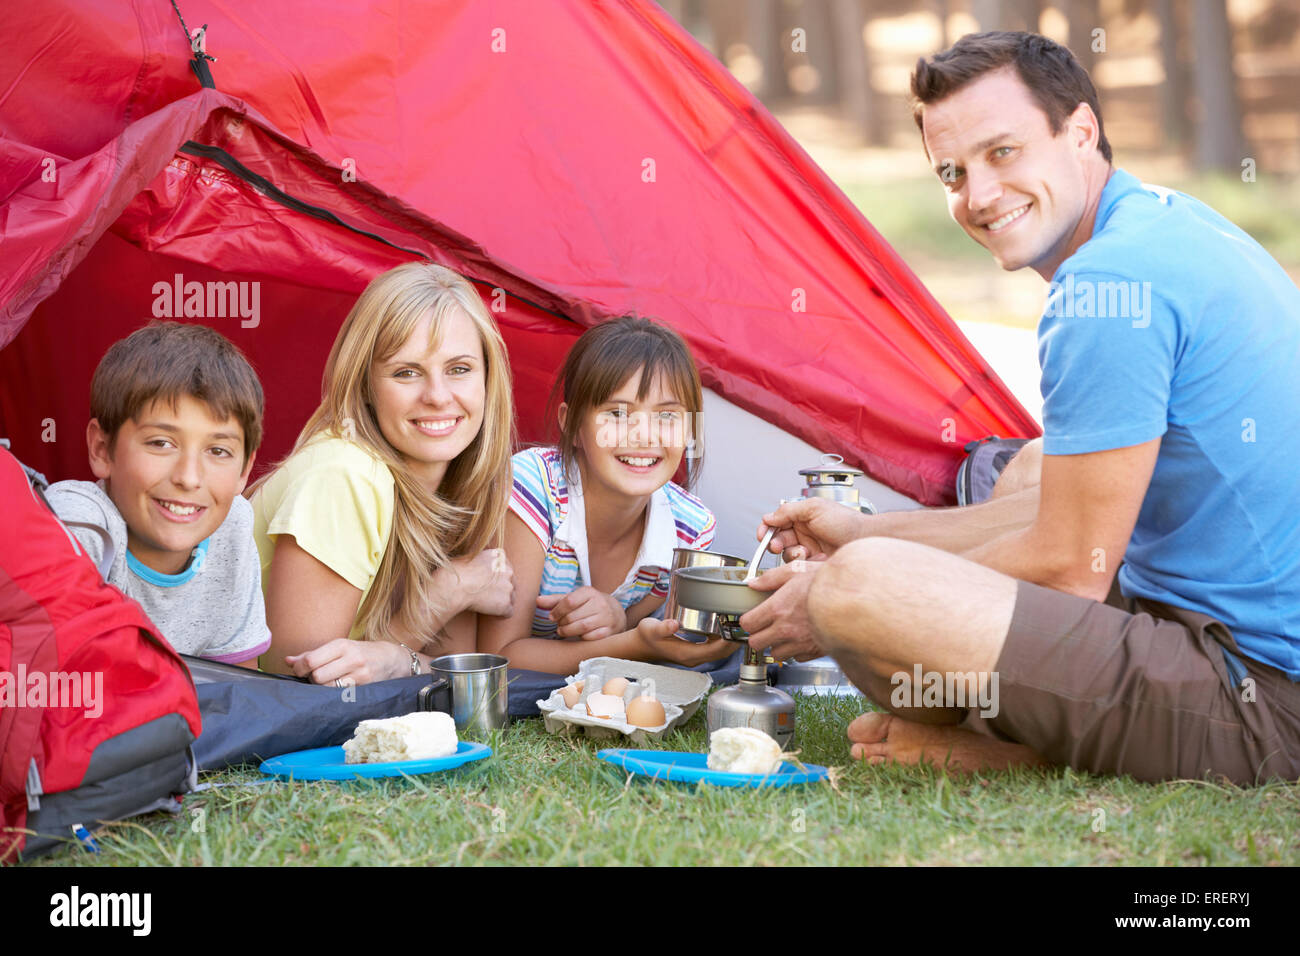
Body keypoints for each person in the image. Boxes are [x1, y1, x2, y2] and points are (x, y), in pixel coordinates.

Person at [741, 31, 1300, 784]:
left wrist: (836, 586)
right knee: (1032, 470)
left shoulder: (1107, 290)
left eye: (1003, 153)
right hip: (1213, 625)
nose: (977, 196)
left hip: (1263, 697)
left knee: (858, 591)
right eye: (953, 171)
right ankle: (1034, 725)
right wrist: (867, 532)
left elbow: (1074, 565)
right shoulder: (1162, 222)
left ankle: (1025, 753)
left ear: (1080, 132)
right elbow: (1076, 520)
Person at [249, 262, 515, 685]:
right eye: (406, 372)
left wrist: (400, 655)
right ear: (365, 386)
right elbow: (302, 683)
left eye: (459, 369)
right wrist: (443, 597)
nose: (437, 396)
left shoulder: (453, 480)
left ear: (488, 379)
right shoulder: (344, 475)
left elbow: (455, 667)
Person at [478, 317, 735, 674]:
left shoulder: (689, 528)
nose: (645, 435)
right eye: (617, 413)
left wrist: (621, 621)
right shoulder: (533, 486)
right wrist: (634, 644)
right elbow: (498, 659)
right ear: (572, 425)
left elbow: (635, 631)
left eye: (666, 415)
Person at [45, 322, 270, 666]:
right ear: (102, 449)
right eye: (161, 443)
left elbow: (238, 694)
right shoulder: (80, 528)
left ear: (244, 471)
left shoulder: (232, 526)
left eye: (218, 451)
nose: (189, 478)